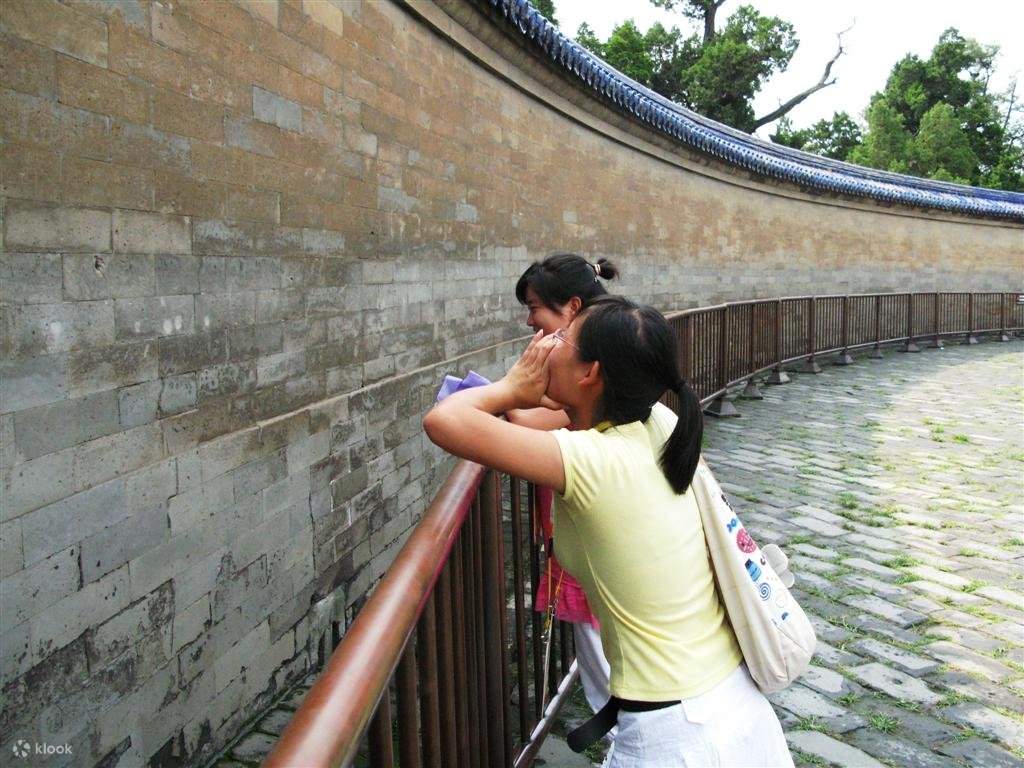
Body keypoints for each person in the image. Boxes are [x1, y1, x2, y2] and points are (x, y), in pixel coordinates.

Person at [423, 296, 792, 767]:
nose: (547, 341)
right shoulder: (658, 422)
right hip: (734, 708)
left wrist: (511, 387)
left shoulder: (591, 461)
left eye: (564, 336)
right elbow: (560, 418)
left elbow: (445, 420)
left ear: (590, 373)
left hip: (678, 738)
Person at [510, 253, 617, 723]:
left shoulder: (589, 368)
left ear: (572, 307)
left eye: (536, 307)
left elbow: (450, 423)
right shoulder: (611, 348)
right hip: (595, 532)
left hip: (592, 534)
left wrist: (508, 394)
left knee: (601, 640)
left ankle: (619, 726)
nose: (531, 321)